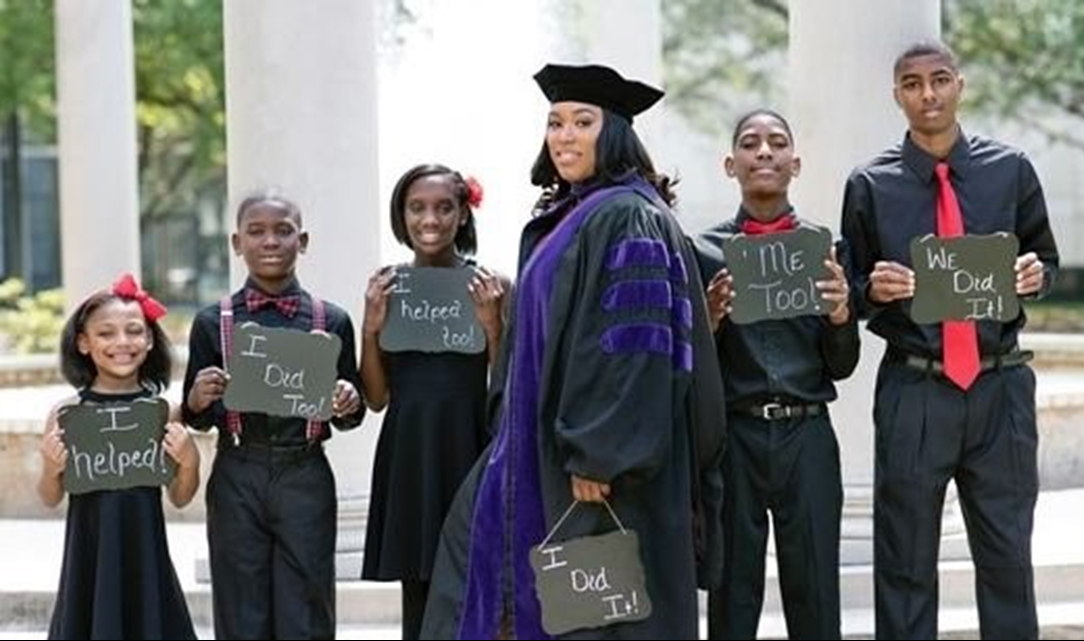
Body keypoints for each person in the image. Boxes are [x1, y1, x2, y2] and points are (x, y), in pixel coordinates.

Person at [419, 63, 726, 640]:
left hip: (595, 465)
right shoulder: (575, 213)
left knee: (597, 617)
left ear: (612, 134)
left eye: (582, 122)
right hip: (539, 451)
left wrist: (599, 452)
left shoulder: (626, 214)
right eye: (555, 123)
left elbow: (634, 348)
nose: (564, 136)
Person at [840, 41, 1059, 640]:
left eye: (939, 80)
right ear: (897, 96)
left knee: (1008, 556)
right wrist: (871, 291)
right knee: (905, 557)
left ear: (960, 85)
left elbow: (1049, 264)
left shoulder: (1010, 170)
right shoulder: (869, 185)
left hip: (1001, 388)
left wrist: (1037, 276)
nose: (928, 94)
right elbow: (849, 291)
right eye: (913, 84)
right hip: (916, 388)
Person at [692, 108, 858, 640]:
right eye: (750, 143)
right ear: (730, 164)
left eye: (777, 142)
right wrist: (710, 322)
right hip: (736, 437)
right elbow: (693, 370)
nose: (764, 151)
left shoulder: (824, 249)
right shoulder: (702, 252)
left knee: (814, 590)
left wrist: (839, 317)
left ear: (795, 163)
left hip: (806, 434)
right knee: (733, 591)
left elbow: (843, 364)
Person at [180, 193, 366, 640]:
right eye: (256, 231)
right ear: (235, 242)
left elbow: (349, 412)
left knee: (308, 601)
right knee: (239, 601)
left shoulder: (331, 320)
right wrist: (199, 399)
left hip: (304, 471)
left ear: (302, 242)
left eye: (283, 231)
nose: (270, 241)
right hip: (237, 470)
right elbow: (194, 416)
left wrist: (348, 399)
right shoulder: (213, 322)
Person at [359, 164, 509, 640]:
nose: (430, 219)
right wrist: (370, 326)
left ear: (463, 214)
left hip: (469, 444)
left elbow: (507, 386)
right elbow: (377, 397)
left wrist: (492, 327)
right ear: (401, 216)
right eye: (417, 208)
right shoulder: (388, 286)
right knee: (418, 584)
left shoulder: (491, 285)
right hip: (410, 450)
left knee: (474, 571)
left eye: (444, 207)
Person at [39, 273, 200, 639]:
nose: (122, 342)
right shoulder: (66, 413)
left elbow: (180, 496)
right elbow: (49, 498)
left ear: (148, 340)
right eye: (106, 333)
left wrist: (190, 461)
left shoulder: (164, 412)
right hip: (89, 557)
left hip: (146, 554)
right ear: (83, 343)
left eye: (134, 330)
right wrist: (51, 467)